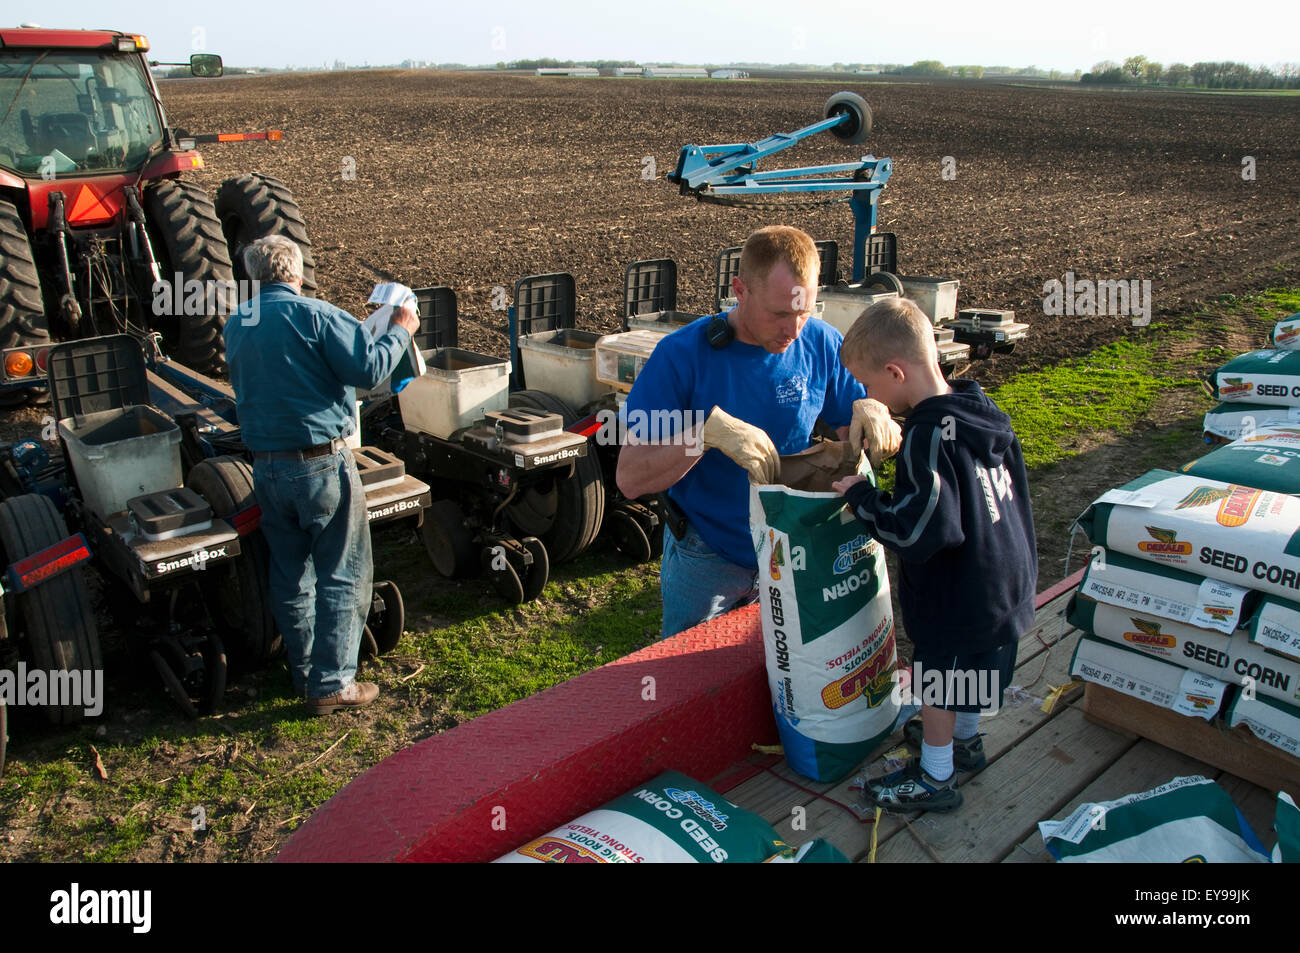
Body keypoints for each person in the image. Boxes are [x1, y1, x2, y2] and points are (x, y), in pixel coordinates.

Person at [615, 225, 901, 639]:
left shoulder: (821, 343)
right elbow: (630, 477)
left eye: (805, 311)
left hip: (796, 550)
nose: (794, 329)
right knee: (694, 683)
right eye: (780, 313)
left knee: (786, 674)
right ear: (740, 290)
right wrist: (703, 435)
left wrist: (876, 412)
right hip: (709, 559)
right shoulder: (681, 357)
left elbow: (853, 432)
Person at [832, 297, 1037, 812]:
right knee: (973, 669)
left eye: (870, 386)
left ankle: (936, 776)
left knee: (939, 684)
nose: (868, 397)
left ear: (896, 372)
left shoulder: (926, 434)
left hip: (959, 596)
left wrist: (862, 497)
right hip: (1006, 583)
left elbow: (917, 531)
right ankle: (965, 743)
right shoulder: (979, 409)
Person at [224, 235, 419, 714]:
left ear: (253, 275)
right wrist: (400, 329)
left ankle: (306, 673)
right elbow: (370, 370)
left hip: (266, 467)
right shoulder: (318, 314)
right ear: (297, 272)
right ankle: (333, 684)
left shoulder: (236, 324)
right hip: (321, 464)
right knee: (344, 571)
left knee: (291, 572)